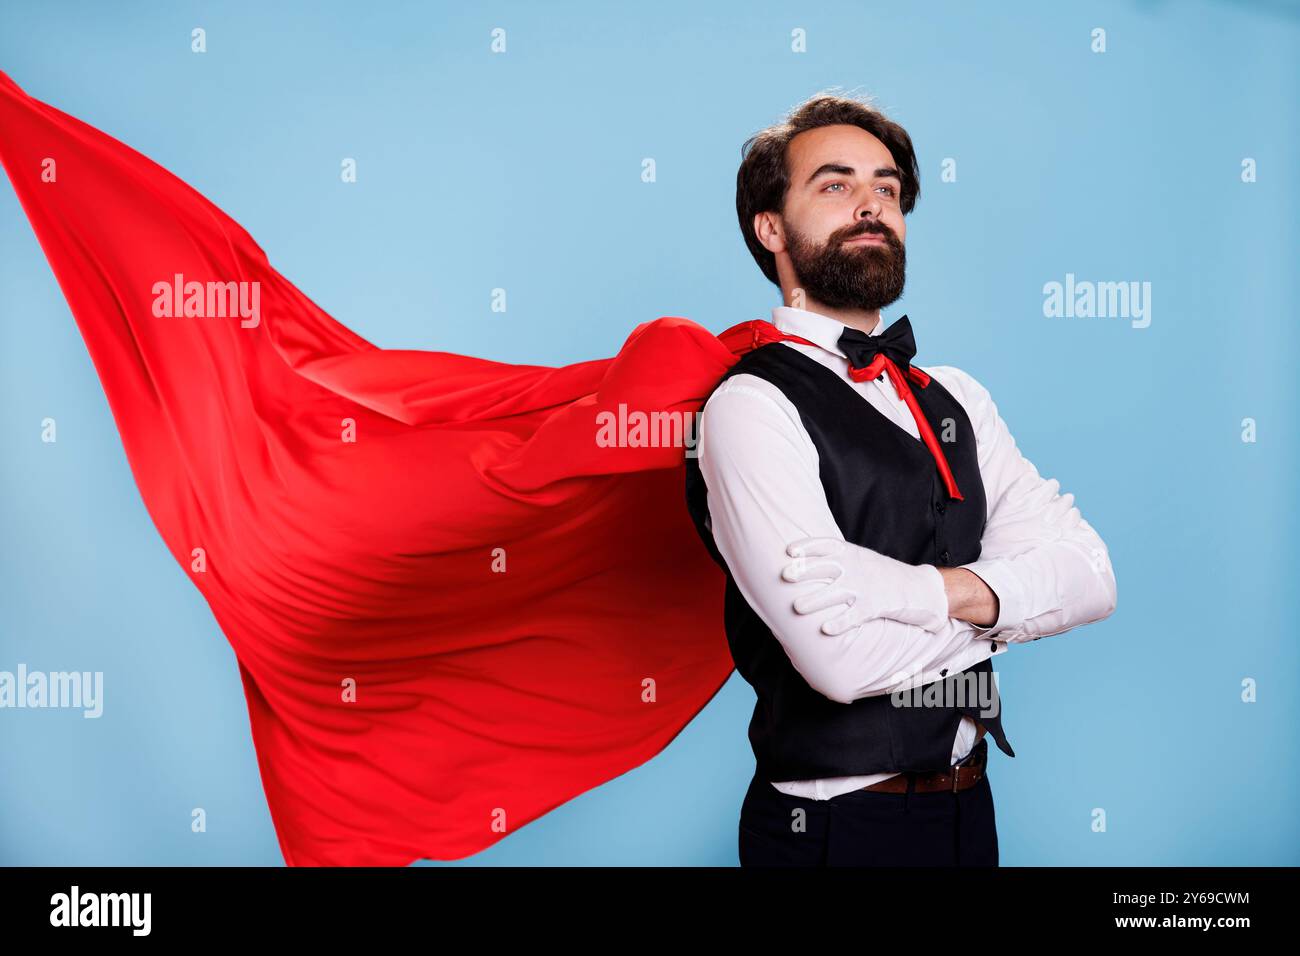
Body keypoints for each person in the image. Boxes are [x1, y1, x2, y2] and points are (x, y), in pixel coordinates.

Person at [683, 94, 1119, 866]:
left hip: (970, 808)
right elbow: (838, 664)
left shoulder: (957, 397)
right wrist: (1010, 604)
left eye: (886, 189)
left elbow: (1090, 577)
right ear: (771, 228)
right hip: (835, 832)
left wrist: (913, 595)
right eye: (835, 185)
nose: (871, 206)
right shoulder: (750, 408)